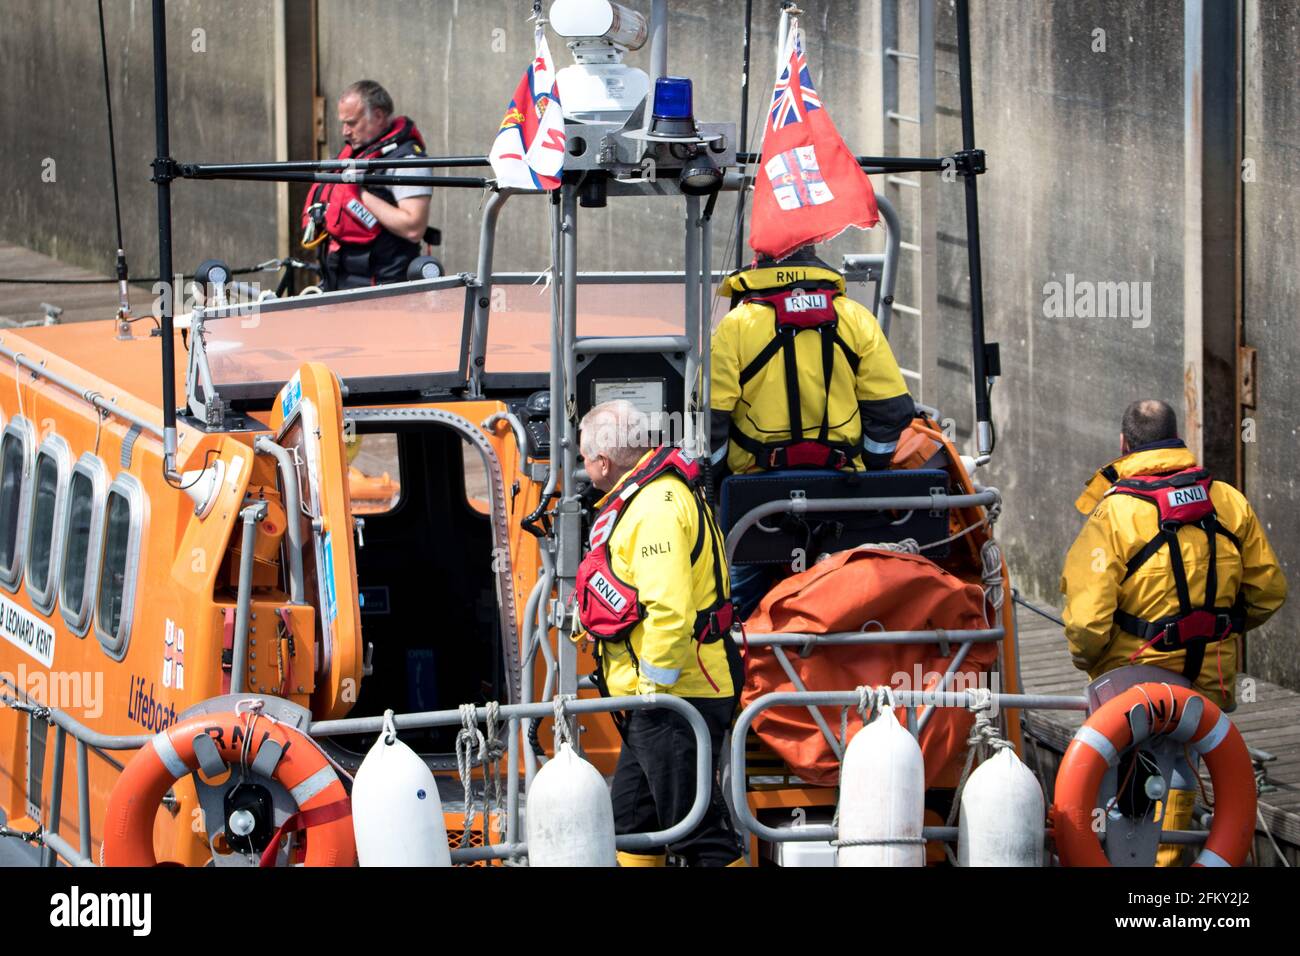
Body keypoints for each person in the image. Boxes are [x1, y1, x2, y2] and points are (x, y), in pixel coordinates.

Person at [1060, 399, 1286, 864]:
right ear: (1178, 440)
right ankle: (1171, 866)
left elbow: (1086, 625)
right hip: (1206, 687)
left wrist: (1092, 659)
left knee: (1121, 795)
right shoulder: (1227, 500)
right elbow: (1268, 592)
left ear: (1123, 445)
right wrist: (1223, 626)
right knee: (1179, 773)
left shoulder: (1114, 515)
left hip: (1131, 689)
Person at [574, 400, 745, 867]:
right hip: (653, 700)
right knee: (632, 821)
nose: (583, 469)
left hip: (677, 695)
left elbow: (669, 611)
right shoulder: (649, 495)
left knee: (697, 830)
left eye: (584, 458)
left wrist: (654, 693)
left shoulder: (654, 507)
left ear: (603, 462)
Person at [709, 246, 914, 616]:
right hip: (843, 496)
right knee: (852, 604)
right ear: (814, 260)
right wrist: (871, 470)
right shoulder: (856, 318)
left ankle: (746, 663)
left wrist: (718, 487)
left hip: (755, 503)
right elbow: (892, 410)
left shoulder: (736, 326)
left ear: (760, 262)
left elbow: (711, 425)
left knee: (735, 612)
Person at [301, 80, 433, 290]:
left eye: (351, 123)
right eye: (343, 123)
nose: (345, 131)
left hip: (381, 287)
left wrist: (356, 192)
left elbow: (413, 228)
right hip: (338, 279)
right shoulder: (357, 153)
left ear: (379, 116)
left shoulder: (407, 160)